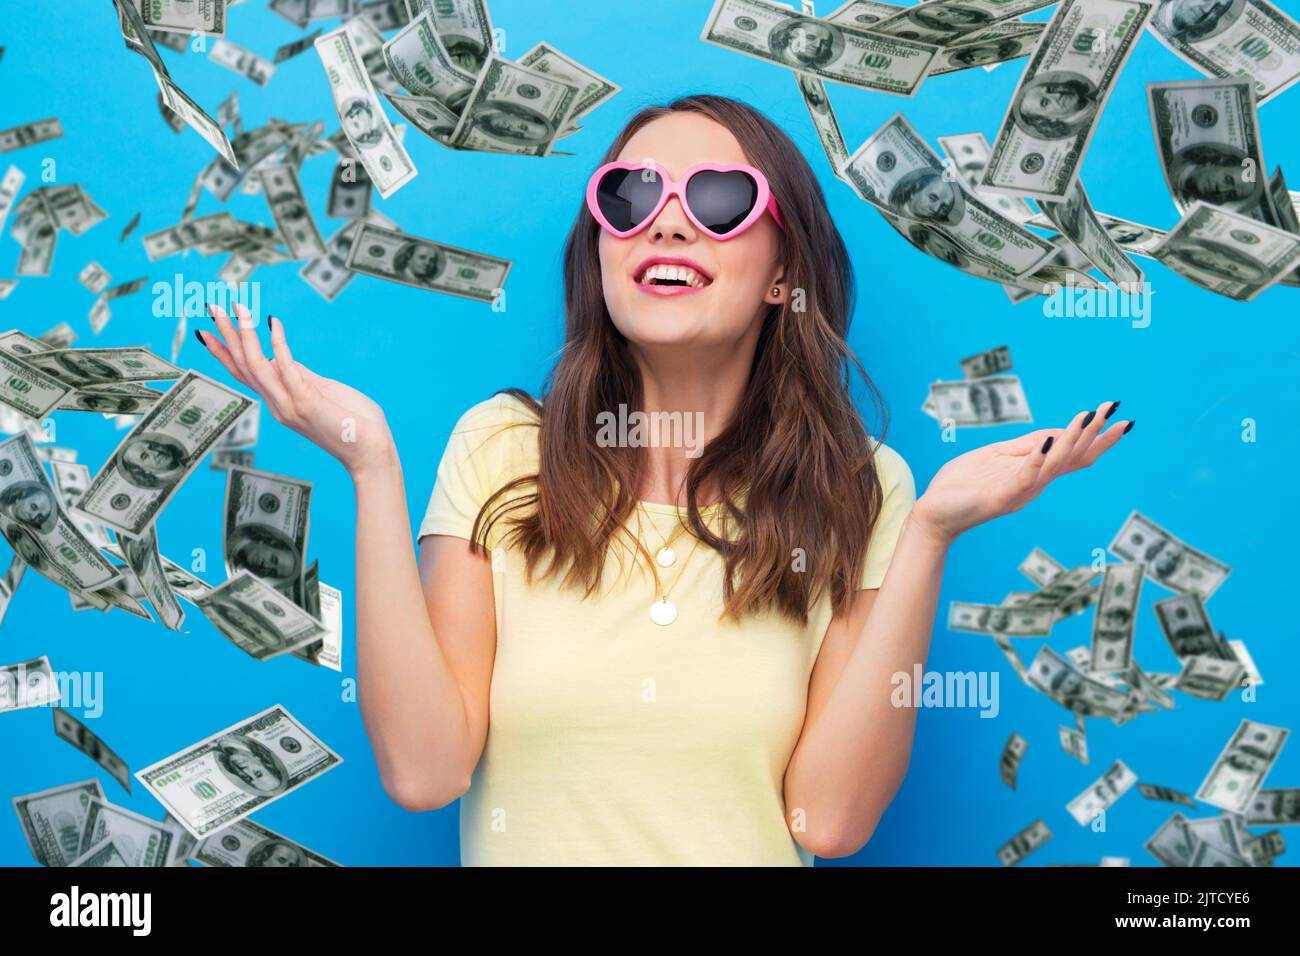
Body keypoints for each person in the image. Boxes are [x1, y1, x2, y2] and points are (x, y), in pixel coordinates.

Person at [195, 94, 1133, 866]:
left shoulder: (860, 490)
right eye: (631, 195)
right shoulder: (500, 451)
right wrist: (372, 465)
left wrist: (929, 535)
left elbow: (830, 824)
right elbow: (425, 773)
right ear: (600, 249)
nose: (669, 217)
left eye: (721, 196)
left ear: (782, 271)